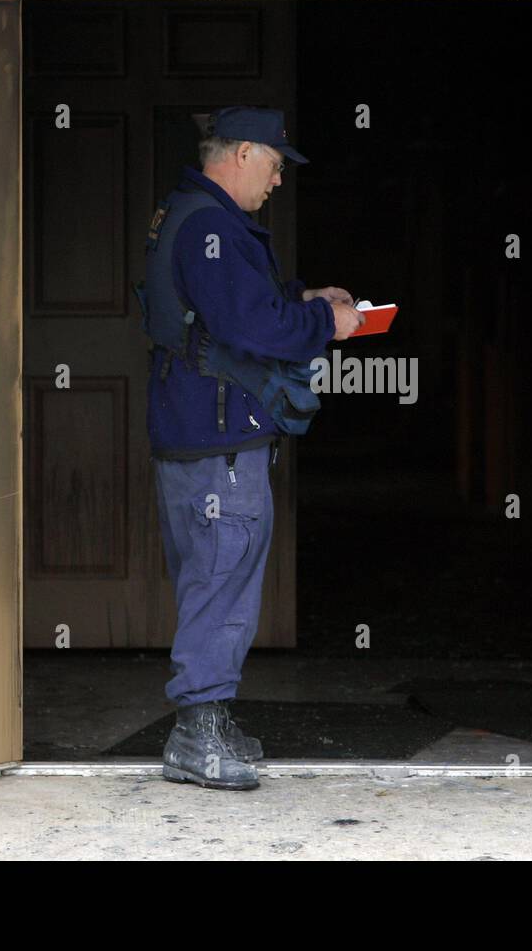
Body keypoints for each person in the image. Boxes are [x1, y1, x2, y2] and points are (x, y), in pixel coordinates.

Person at [142, 106, 363, 790]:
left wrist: (303, 295)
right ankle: (196, 732)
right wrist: (326, 319)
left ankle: (210, 718)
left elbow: (230, 309)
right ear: (242, 154)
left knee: (213, 572)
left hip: (196, 432)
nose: (276, 182)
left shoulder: (188, 214)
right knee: (221, 577)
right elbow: (251, 327)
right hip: (217, 441)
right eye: (273, 166)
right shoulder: (211, 226)